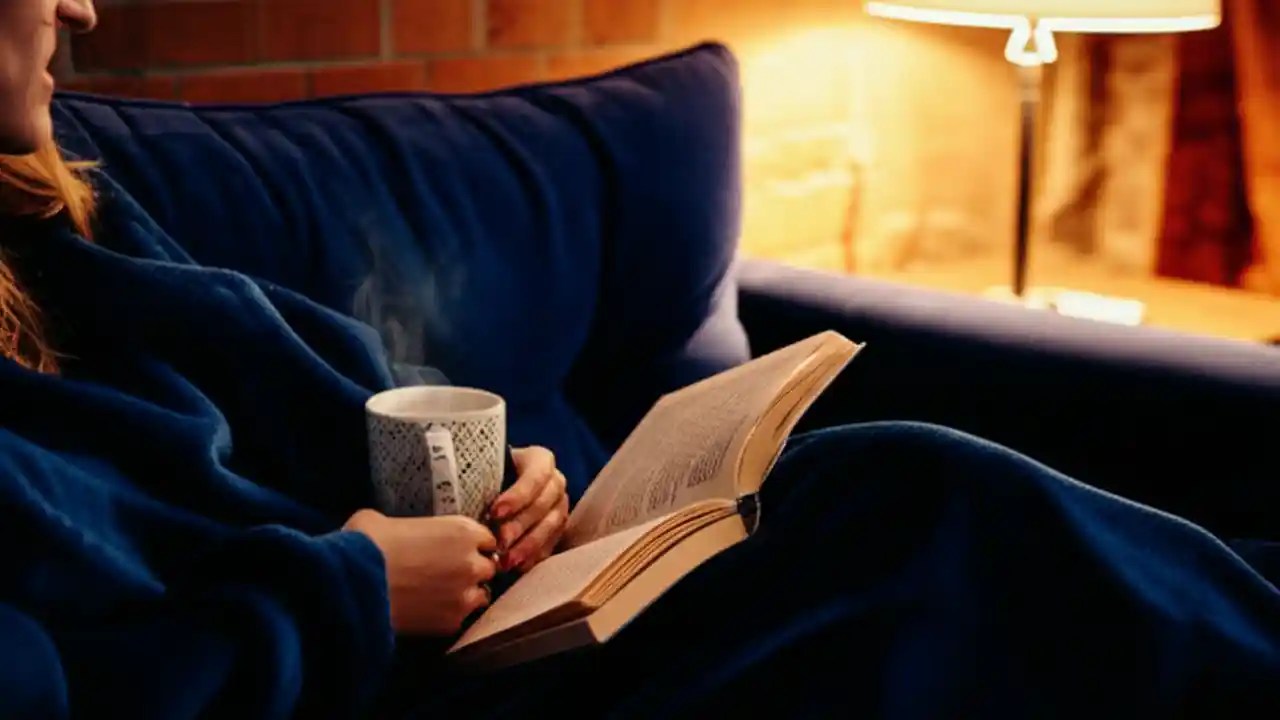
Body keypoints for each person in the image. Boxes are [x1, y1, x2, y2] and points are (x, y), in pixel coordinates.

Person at [1, 3, 1277, 718]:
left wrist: (507, 494)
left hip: (467, 630)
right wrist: (341, 592)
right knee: (916, 511)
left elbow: (324, 397)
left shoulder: (57, 216)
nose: (78, 7)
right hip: (372, 690)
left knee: (874, 487)